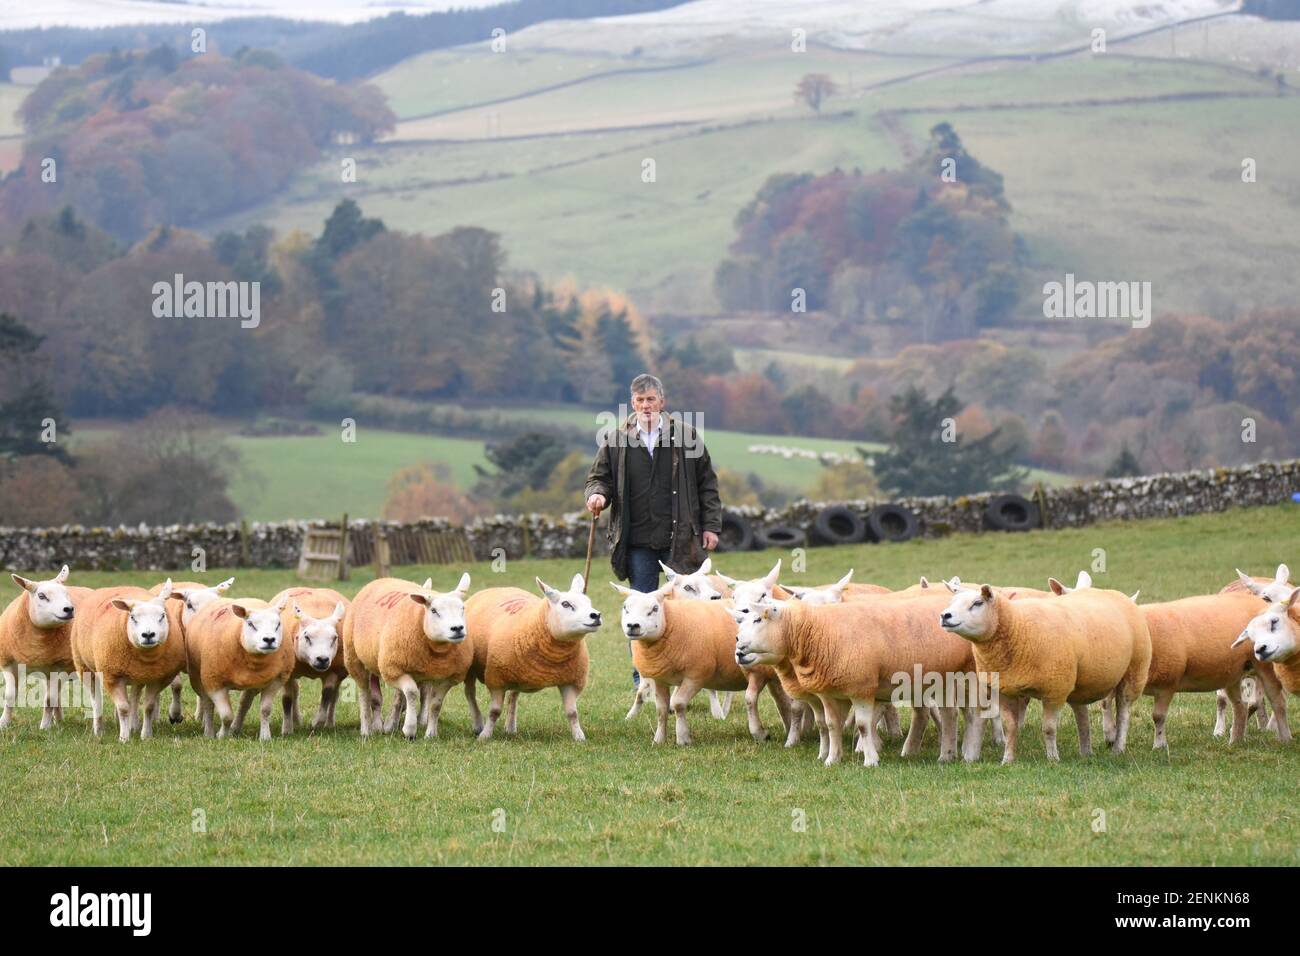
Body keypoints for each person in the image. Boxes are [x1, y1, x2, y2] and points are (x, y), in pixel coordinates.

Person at [584, 373, 721, 686]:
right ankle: (644, 678)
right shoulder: (615, 439)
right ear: (632, 403)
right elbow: (598, 478)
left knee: (686, 609)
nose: (645, 406)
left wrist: (711, 526)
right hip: (637, 541)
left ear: (662, 402)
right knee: (642, 608)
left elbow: (707, 485)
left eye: (651, 400)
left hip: (681, 538)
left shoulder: (686, 436)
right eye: (639, 400)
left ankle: (688, 671)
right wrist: (597, 495)